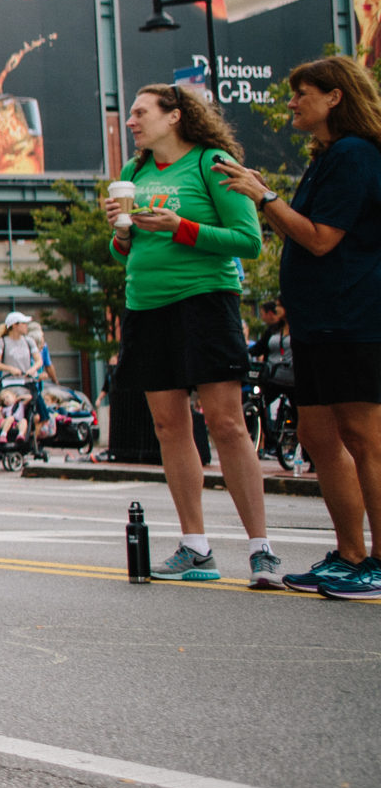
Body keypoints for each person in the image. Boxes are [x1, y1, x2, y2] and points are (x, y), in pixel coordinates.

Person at [217, 56, 381, 599]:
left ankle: (376, 562)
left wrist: (262, 195)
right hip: (320, 323)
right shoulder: (328, 156)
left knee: (365, 438)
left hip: (353, 318)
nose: (291, 102)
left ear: (335, 97)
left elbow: (320, 238)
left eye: (301, 93)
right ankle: (350, 555)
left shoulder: (355, 155)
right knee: (317, 435)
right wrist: (267, 194)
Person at [102, 81, 269, 583]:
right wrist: (122, 231)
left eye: (139, 112)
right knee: (169, 428)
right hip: (146, 306)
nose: (131, 121)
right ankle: (196, 546)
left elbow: (249, 241)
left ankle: (261, 548)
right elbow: (122, 252)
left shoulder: (211, 163)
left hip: (204, 304)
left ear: (174, 116)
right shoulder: (133, 172)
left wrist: (179, 226)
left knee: (227, 424)